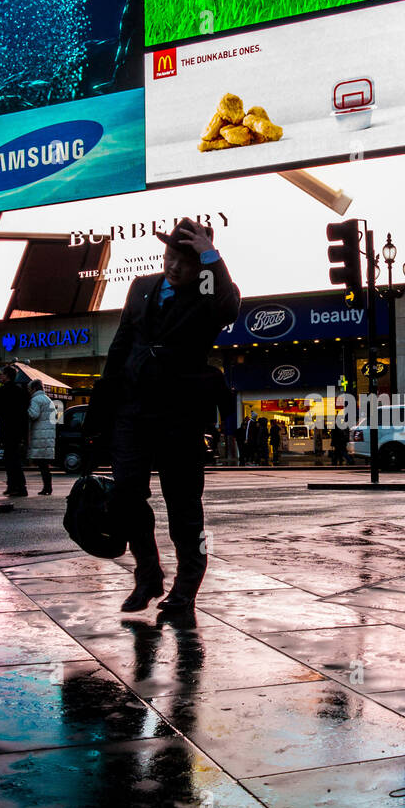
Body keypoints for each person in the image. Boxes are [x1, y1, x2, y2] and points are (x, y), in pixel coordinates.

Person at [85, 217, 240, 615]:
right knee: (127, 497)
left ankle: (187, 584)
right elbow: (120, 348)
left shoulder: (208, 291)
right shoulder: (140, 288)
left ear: (200, 265)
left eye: (186, 262)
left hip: (180, 416)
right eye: (172, 255)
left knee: (183, 505)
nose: (175, 266)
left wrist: (211, 256)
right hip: (132, 413)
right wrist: (100, 413)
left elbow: (229, 306)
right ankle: (148, 575)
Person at [0, 365, 29, 497]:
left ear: (7, 376)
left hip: (6, 428)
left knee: (10, 459)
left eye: (1, 374)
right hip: (18, 430)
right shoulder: (21, 392)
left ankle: (15, 486)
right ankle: (17, 486)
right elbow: (25, 413)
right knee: (14, 458)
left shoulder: (0, 392)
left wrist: (4, 415)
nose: (0, 377)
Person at [27, 380, 57, 495]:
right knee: (45, 465)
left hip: (40, 436)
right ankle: (48, 487)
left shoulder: (35, 400)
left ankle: (47, 488)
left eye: (29, 389)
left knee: (42, 465)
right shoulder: (48, 400)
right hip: (48, 436)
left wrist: (25, 409)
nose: (29, 391)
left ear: (34, 389)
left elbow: (33, 414)